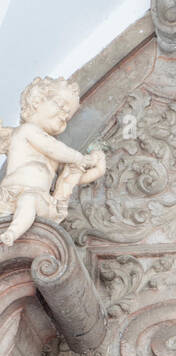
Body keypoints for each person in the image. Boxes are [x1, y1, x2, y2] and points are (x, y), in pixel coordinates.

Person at [0, 77, 105, 247]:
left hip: (39, 200)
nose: (64, 115)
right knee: (26, 200)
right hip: (9, 197)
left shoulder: (57, 157)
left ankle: (13, 232)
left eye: (68, 115)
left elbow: (72, 178)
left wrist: (96, 171)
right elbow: (52, 148)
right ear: (36, 101)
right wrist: (80, 158)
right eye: (61, 105)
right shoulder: (26, 131)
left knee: (29, 200)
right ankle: (10, 234)